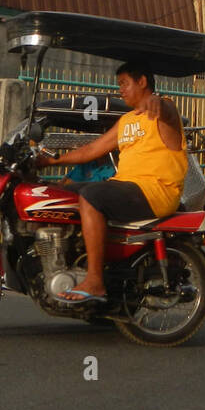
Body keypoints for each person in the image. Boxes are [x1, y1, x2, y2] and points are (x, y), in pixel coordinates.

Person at [36, 62, 186, 304]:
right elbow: (93, 149)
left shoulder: (164, 112)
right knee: (60, 193)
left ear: (143, 82)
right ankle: (75, 263)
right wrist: (52, 161)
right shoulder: (126, 120)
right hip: (126, 186)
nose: (120, 91)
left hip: (155, 191)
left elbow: (166, 111)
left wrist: (158, 104)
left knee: (92, 195)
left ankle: (95, 282)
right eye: (119, 86)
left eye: (124, 84)